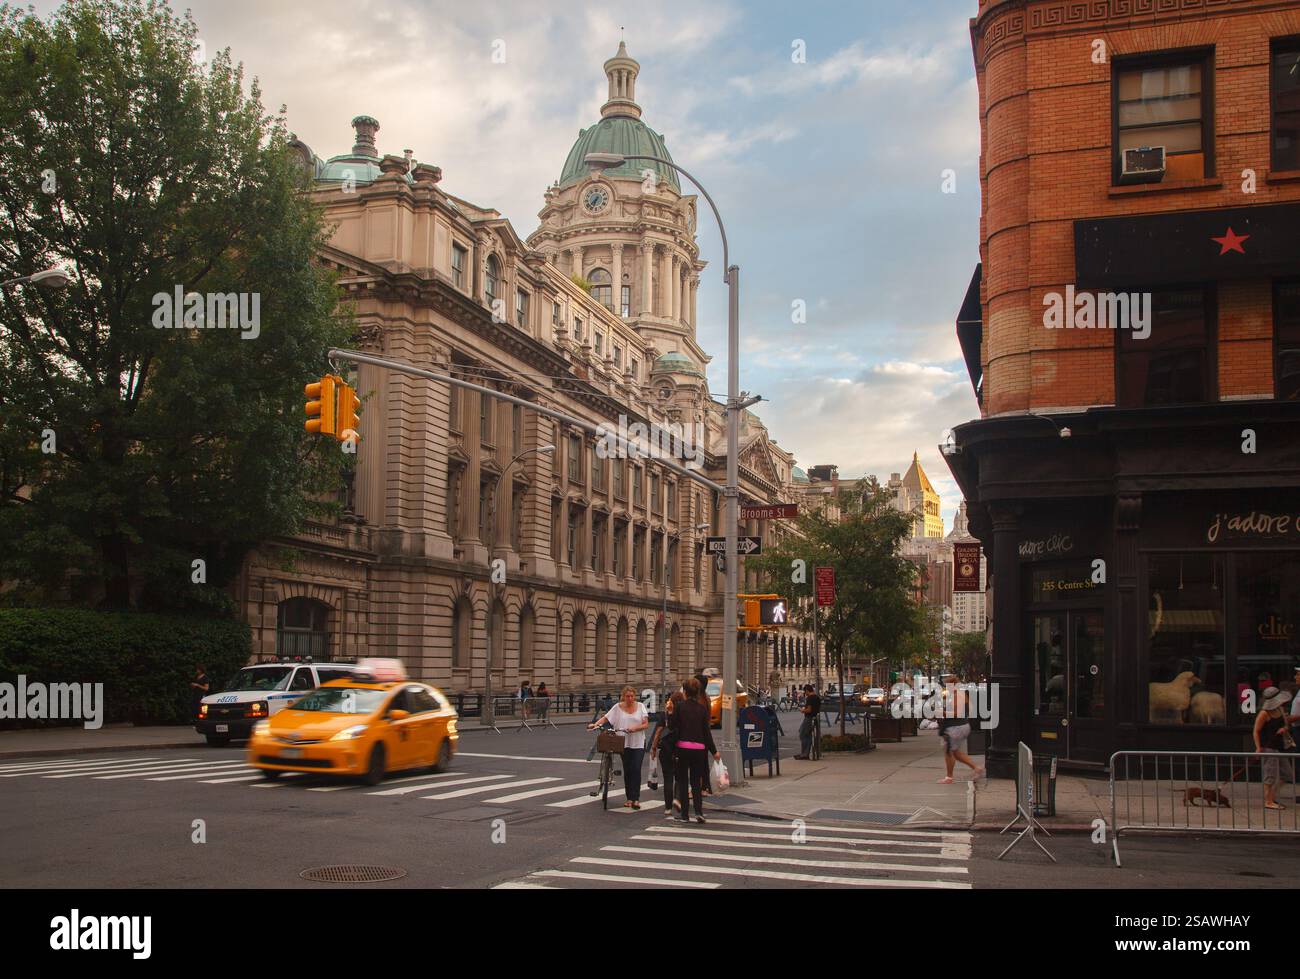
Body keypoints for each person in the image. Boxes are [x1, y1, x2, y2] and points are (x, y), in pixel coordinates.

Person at [588, 686, 650, 810]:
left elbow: (645, 724)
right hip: (623, 742)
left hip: (638, 743)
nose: (630, 698)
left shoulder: (641, 707)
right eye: (627, 696)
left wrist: (635, 729)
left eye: (632, 696)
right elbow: (606, 718)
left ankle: (636, 799)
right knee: (627, 770)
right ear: (623, 696)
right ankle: (629, 798)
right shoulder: (617, 707)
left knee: (636, 769)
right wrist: (595, 724)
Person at [673, 678, 719, 823]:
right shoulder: (702, 709)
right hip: (699, 749)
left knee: (683, 780)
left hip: (683, 747)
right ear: (698, 692)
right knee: (695, 782)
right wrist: (714, 751)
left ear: (685, 692)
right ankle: (699, 812)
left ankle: (685, 815)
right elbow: (706, 732)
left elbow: (674, 727)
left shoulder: (680, 707)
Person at [936, 674, 985, 783]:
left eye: (948, 686)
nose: (946, 688)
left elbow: (956, 713)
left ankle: (949, 777)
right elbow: (970, 709)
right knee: (955, 752)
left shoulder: (956, 696)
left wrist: (942, 712)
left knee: (949, 750)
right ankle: (976, 769)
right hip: (962, 725)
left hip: (955, 727)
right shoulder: (962, 695)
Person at [1254, 686, 1295, 811]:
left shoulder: (1280, 709)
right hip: (1269, 747)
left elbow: (1286, 724)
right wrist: (1258, 747)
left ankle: (1271, 796)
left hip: (1279, 746)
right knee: (1270, 775)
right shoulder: (1264, 713)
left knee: (1287, 775)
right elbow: (1256, 731)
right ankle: (1268, 801)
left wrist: (1285, 729)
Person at [650, 690, 684, 815]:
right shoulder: (684, 714)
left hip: (665, 750)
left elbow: (658, 732)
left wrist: (654, 748)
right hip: (680, 749)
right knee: (679, 777)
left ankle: (668, 807)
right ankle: (677, 798)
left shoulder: (665, 715)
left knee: (668, 778)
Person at [795, 684, 820, 759]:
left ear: (807, 691)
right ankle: (806, 753)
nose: (805, 693)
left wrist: (802, 710)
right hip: (814, 717)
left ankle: (804, 754)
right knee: (808, 735)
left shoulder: (810, 698)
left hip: (808, 718)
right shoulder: (817, 697)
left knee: (802, 734)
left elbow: (809, 710)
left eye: (805, 691)